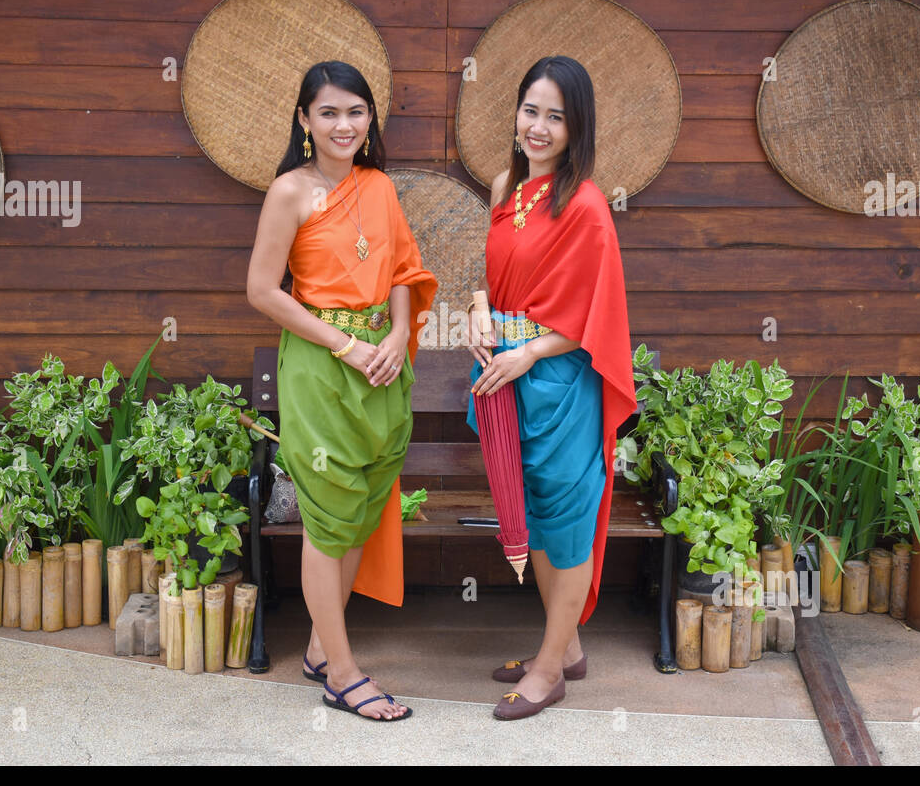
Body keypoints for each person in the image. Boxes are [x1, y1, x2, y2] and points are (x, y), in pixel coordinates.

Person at [246, 61, 437, 721]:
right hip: (324, 372)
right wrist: (347, 345)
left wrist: (397, 333)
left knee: (357, 512)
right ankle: (343, 674)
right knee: (328, 523)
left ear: (370, 119)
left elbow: (405, 270)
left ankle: (319, 649)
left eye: (355, 112)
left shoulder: (379, 186)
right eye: (328, 112)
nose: (343, 124)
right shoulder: (290, 193)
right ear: (304, 120)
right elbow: (263, 290)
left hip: (379, 372)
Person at [467, 55, 636, 720]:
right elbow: (493, 268)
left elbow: (597, 311)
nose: (538, 127)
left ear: (576, 128)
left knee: (564, 520)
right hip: (507, 376)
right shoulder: (505, 183)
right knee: (534, 514)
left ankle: (549, 669)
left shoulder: (587, 206)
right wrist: (480, 309)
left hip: (558, 383)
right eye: (530, 111)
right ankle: (564, 647)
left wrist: (528, 351)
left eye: (555, 117)